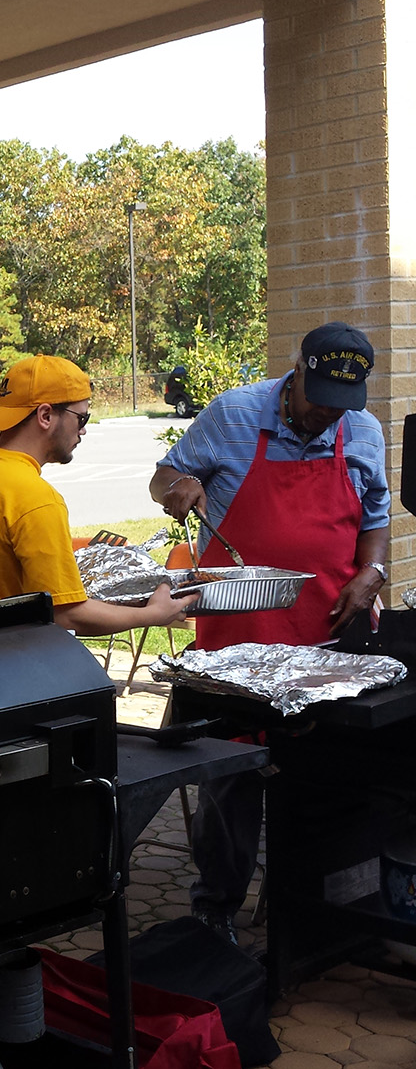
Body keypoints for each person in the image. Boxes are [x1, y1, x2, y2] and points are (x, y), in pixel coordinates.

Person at [148, 322, 390, 943]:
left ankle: (309, 902)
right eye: (319, 401)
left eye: (342, 405)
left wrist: (374, 572)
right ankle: (216, 908)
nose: (326, 417)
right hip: (238, 634)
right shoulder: (232, 415)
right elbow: (164, 478)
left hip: (327, 635)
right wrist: (179, 490)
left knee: (320, 775)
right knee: (230, 778)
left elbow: (376, 519)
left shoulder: (361, 430)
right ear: (297, 373)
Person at [0, 354, 192, 635]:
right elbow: (67, 616)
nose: (83, 429)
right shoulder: (34, 498)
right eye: (81, 417)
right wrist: (153, 614)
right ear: (45, 416)